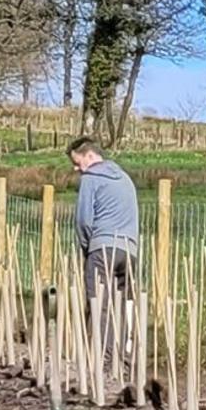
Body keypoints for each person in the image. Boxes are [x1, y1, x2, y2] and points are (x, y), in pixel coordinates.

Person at [68, 137, 139, 367]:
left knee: (100, 303)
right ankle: (123, 357)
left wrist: (87, 248)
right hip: (129, 250)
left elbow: (84, 220)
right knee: (122, 303)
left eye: (78, 163)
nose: (76, 169)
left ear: (90, 156)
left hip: (102, 248)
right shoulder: (125, 178)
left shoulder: (91, 179)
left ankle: (104, 362)